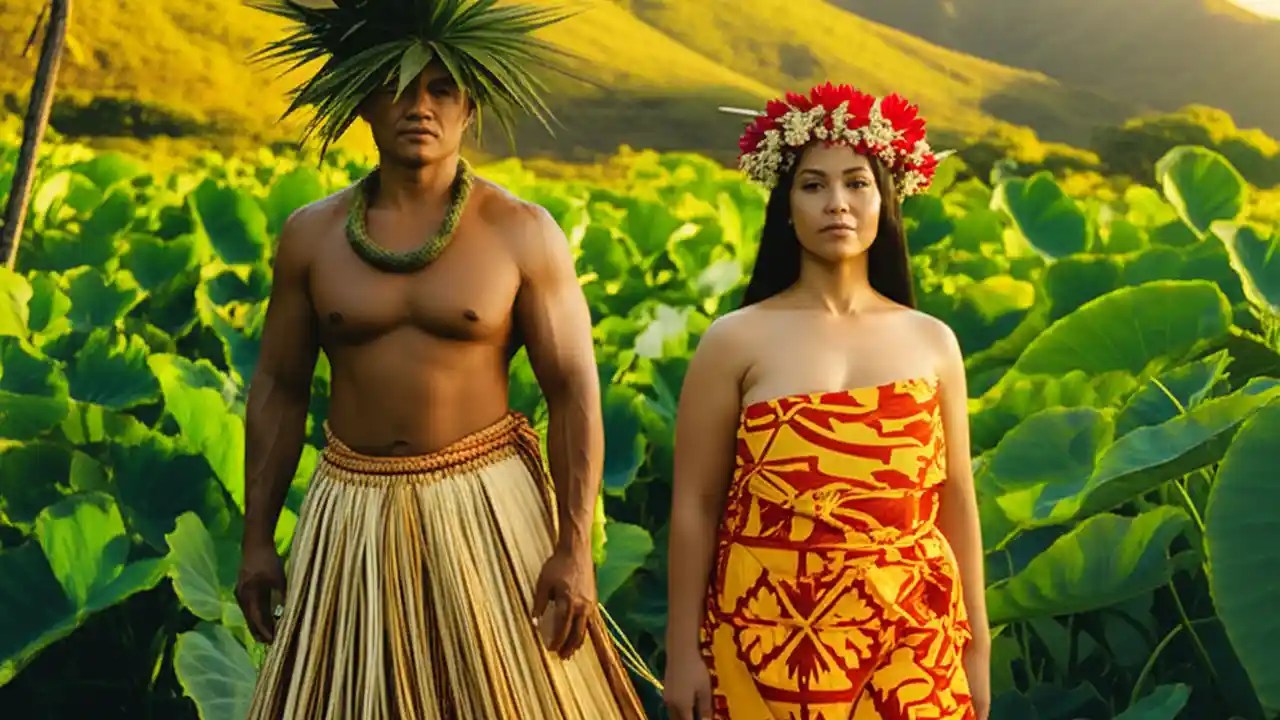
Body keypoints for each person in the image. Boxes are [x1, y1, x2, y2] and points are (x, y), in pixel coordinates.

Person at [233, 1, 646, 718]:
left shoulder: (522, 232)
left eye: (441, 88)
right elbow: (278, 384)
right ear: (360, 100)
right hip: (349, 521)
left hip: (486, 512)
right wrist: (257, 539)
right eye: (394, 86)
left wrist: (574, 546)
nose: (417, 107)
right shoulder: (311, 235)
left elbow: (574, 389)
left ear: (471, 104)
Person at [662, 83, 991, 720]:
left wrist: (974, 646)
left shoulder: (932, 342)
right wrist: (683, 651)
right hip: (764, 631)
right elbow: (695, 505)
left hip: (912, 637)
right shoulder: (734, 341)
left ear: (884, 200)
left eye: (856, 183)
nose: (836, 203)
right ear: (785, 206)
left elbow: (956, 500)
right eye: (813, 185)